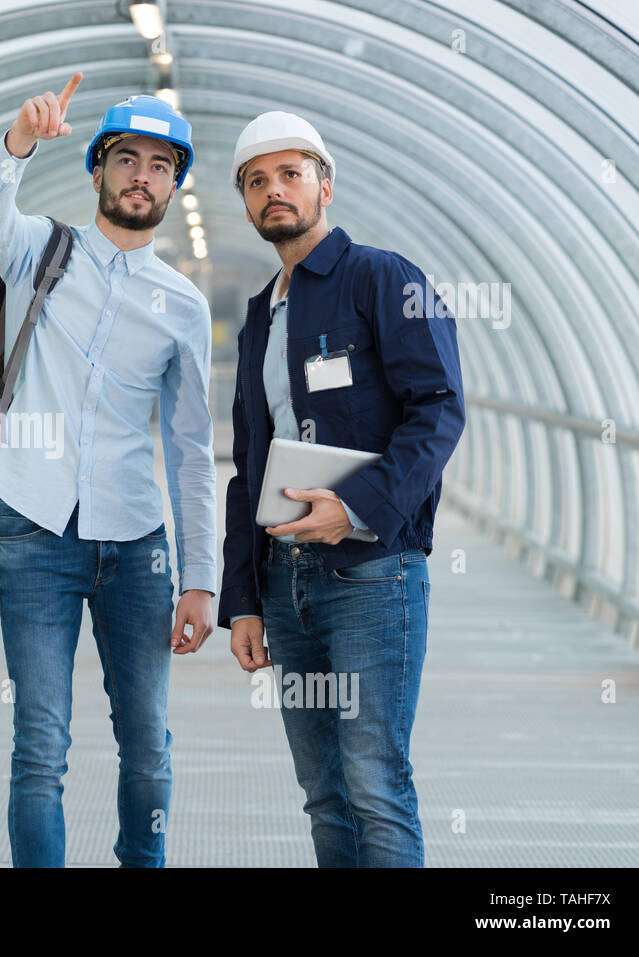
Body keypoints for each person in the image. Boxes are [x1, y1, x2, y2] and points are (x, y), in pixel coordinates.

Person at [0, 73, 218, 867]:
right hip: (34, 532)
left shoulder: (183, 303)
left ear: (173, 185)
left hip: (136, 546)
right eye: (127, 158)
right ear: (99, 169)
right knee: (40, 746)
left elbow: (190, 446)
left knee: (146, 744)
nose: (143, 174)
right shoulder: (40, 249)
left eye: (160, 165)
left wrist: (200, 577)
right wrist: (18, 142)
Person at [219, 111, 465, 865]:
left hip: (371, 575)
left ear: (326, 184)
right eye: (256, 181)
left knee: (375, 785)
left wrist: (356, 507)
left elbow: (438, 409)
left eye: (290, 174)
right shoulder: (260, 315)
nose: (274, 191)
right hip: (286, 586)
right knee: (325, 793)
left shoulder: (382, 279)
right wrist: (243, 601)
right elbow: (248, 465)